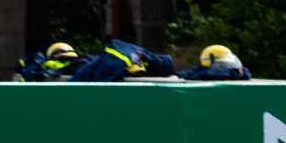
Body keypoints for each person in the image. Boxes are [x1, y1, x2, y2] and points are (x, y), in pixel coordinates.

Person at [14, 38, 176, 83]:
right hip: (127, 57)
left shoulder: (45, 63)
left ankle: (132, 67)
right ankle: (133, 66)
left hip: (114, 61)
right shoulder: (86, 60)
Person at [180, 43, 251, 80]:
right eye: (222, 61)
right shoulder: (202, 72)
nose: (227, 63)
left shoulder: (235, 71)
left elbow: (246, 73)